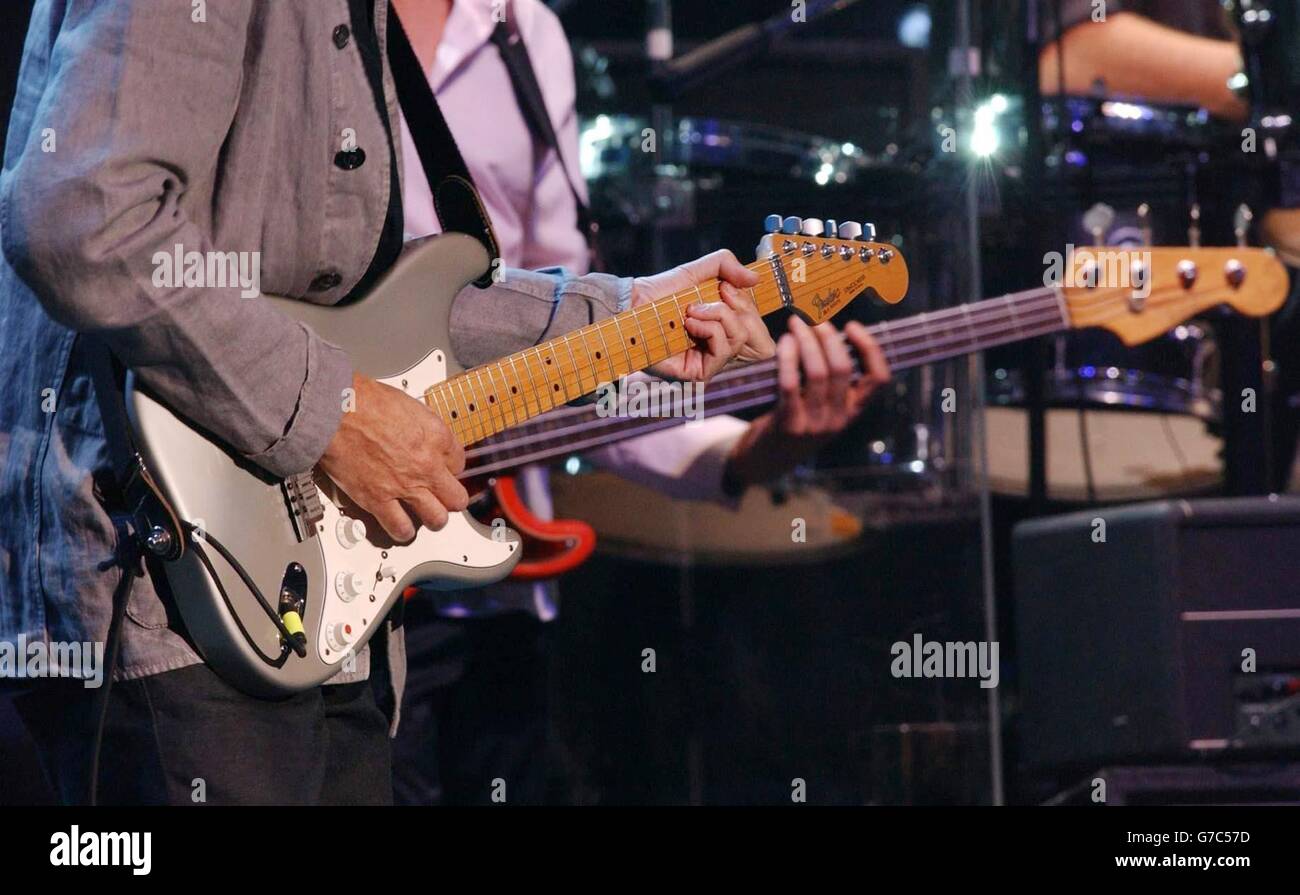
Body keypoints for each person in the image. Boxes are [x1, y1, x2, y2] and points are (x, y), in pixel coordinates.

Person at [0, 0, 775, 806]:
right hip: (164, 596)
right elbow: (84, 219)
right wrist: (333, 415)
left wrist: (632, 316)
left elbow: (359, 299)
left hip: (316, 610)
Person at [387, 0, 892, 805]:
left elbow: (572, 352)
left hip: (495, 589)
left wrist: (753, 449)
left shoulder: (527, 33)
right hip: (317, 548)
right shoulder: (298, 22)